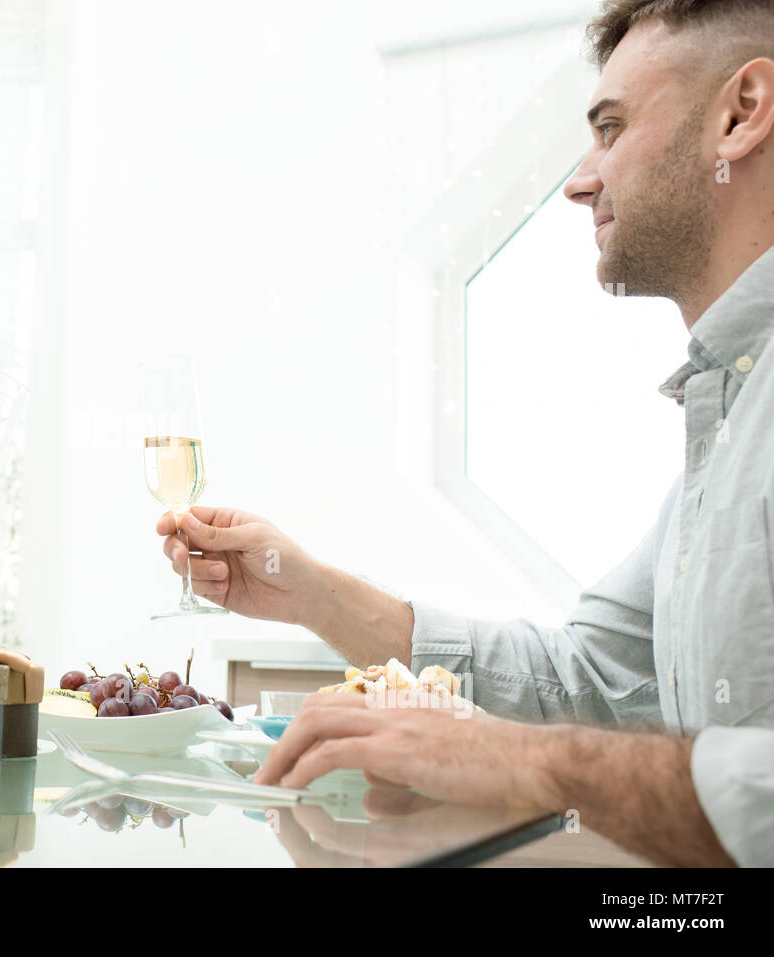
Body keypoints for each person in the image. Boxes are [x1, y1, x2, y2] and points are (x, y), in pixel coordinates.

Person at [155, 0, 774, 867]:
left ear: (741, 115)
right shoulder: (732, 406)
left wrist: (523, 762)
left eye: (611, 127)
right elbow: (588, 681)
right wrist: (313, 595)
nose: (580, 179)